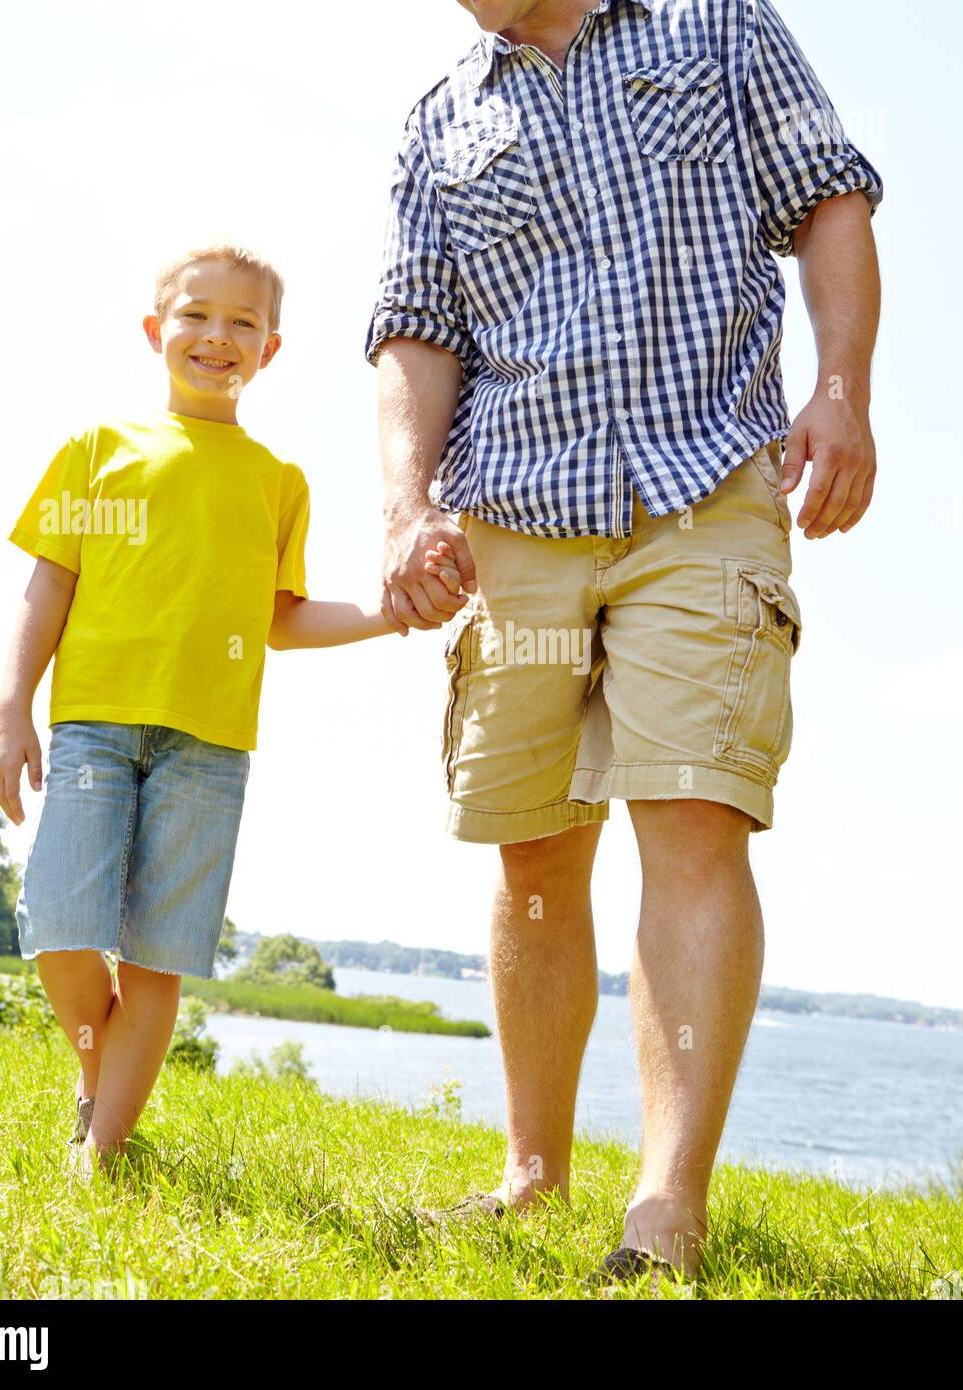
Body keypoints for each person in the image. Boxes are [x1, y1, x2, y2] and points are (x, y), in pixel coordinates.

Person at [369, 0, 883, 1283]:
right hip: (520, 516)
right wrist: (406, 503)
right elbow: (413, 329)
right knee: (533, 844)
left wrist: (840, 393)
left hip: (704, 490)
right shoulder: (441, 123)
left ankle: (666, 1202)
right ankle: (532, 1173)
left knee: (692, 810)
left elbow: (828, 198)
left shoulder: (714, 25)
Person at [0, 244, 445, 1173]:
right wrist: (10, 707)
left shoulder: (277, 483)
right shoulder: (96, 450)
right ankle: (96, 1070)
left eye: (244, 323)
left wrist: (385, 613)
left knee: (158, 957)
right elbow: (49, 585)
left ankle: (99, 1154)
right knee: (60, 930)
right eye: (196, 315)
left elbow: (279, 619)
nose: (217, 336)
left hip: (210, 747)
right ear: (157, 332)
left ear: (270, 351)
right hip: (94, 728)